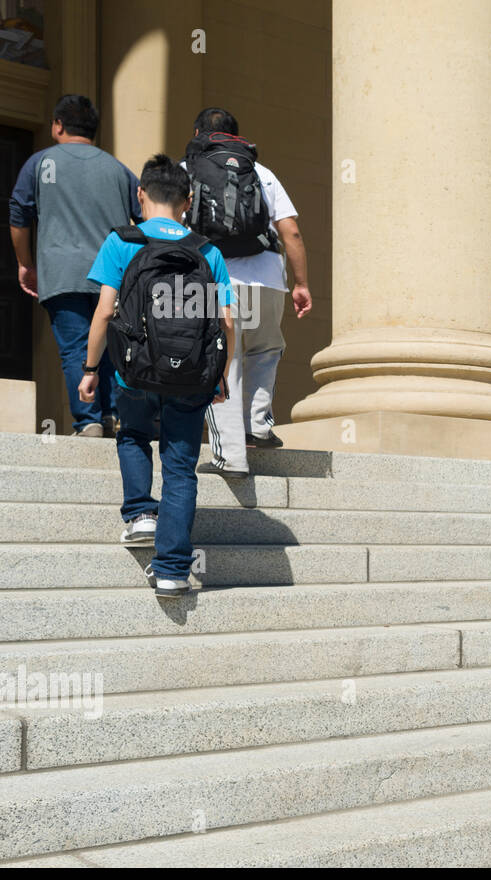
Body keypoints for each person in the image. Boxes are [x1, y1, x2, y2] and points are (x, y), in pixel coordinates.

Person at [80, 155, 235, 598]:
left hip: (134, 373)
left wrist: (91, 369)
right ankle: (170, 571)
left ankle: (141, 515)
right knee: (182, 467)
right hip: (192, 378)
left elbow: (105, 312)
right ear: (187, 202)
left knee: (132, 435)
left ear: (141, 195)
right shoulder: (208, 251)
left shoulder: (121, 242)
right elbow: (226, 323)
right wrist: (220, 375)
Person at [185, 107, 312, 476]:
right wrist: (301, 284)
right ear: (237, 137)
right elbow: (291, 232)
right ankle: (257, 427)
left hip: (219, 279)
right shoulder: (260, 172)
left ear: (198, 133)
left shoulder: (187, 168)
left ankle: (230, 458)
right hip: (269, 279)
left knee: (222, 362)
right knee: (265, 350)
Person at [8, 94, 140, 437]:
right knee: (110, 347)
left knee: (75, 348)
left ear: (58, 125)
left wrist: (25, 263)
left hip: (62, 272)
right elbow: (144, 217)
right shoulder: (118, 170)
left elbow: (18, 215)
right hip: (113, 274)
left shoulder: (39, 163)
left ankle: (88, 420)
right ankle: (111, 416)